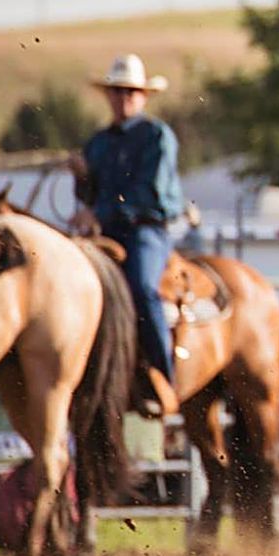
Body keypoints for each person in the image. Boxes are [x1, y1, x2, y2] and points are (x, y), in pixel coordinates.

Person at [71, 54, 184, 413]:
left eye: (130, 91)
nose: (123, 98)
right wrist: (81, 178)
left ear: (143, 96)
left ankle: (162, 377)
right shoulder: (97, 143)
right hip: (105, 232)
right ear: (108, 95)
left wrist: (97, 212)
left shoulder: (156, 136)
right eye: (117, 91)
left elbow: (149, 192)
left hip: (145, 231)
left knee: (142, 287)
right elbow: (89, 195)